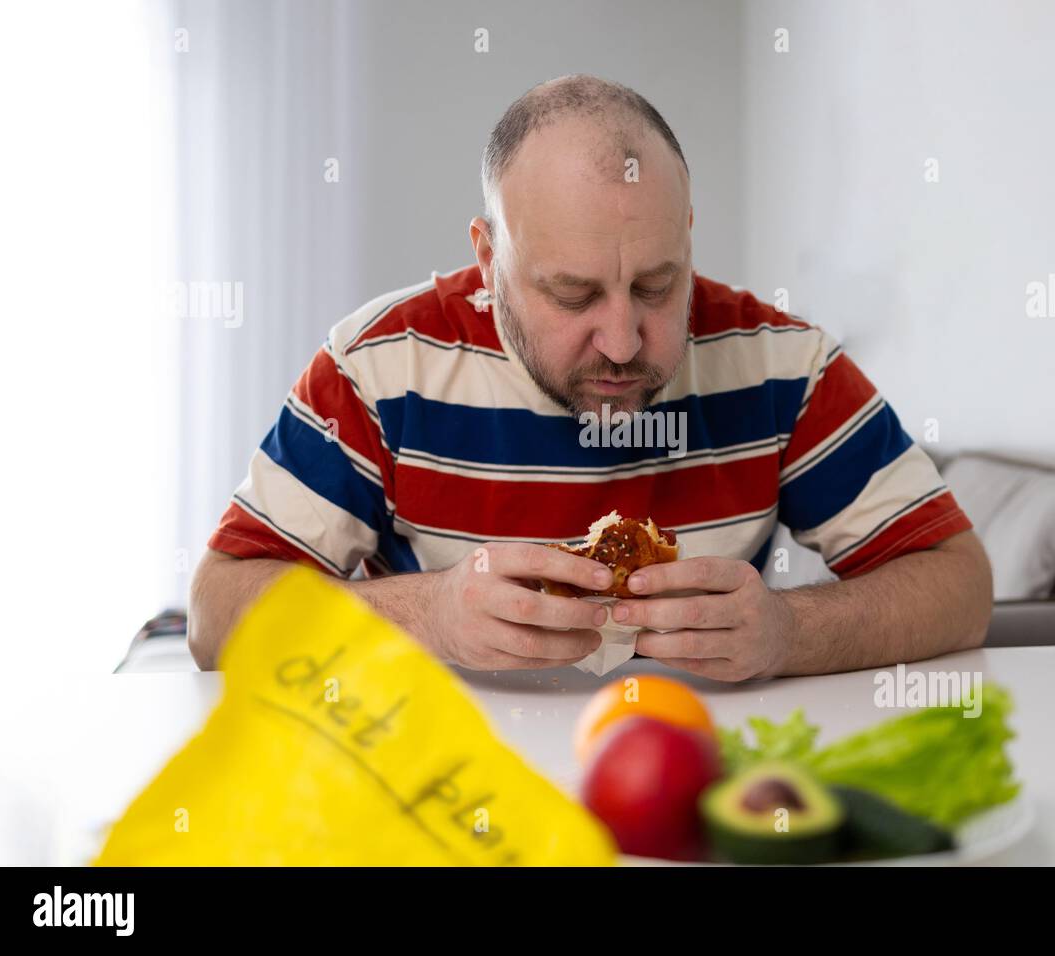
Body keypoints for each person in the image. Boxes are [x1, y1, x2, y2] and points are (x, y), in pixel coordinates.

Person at [188, 74, 992, 680]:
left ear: (687, 235)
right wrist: (428, 613)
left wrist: (790, 633)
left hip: (693, 780)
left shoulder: (783, 366)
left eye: (656, 286)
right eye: (571, 294)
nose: (621, 342)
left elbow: (959, 586)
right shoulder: (379, 367)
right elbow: (216, 615)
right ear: (487, 258)